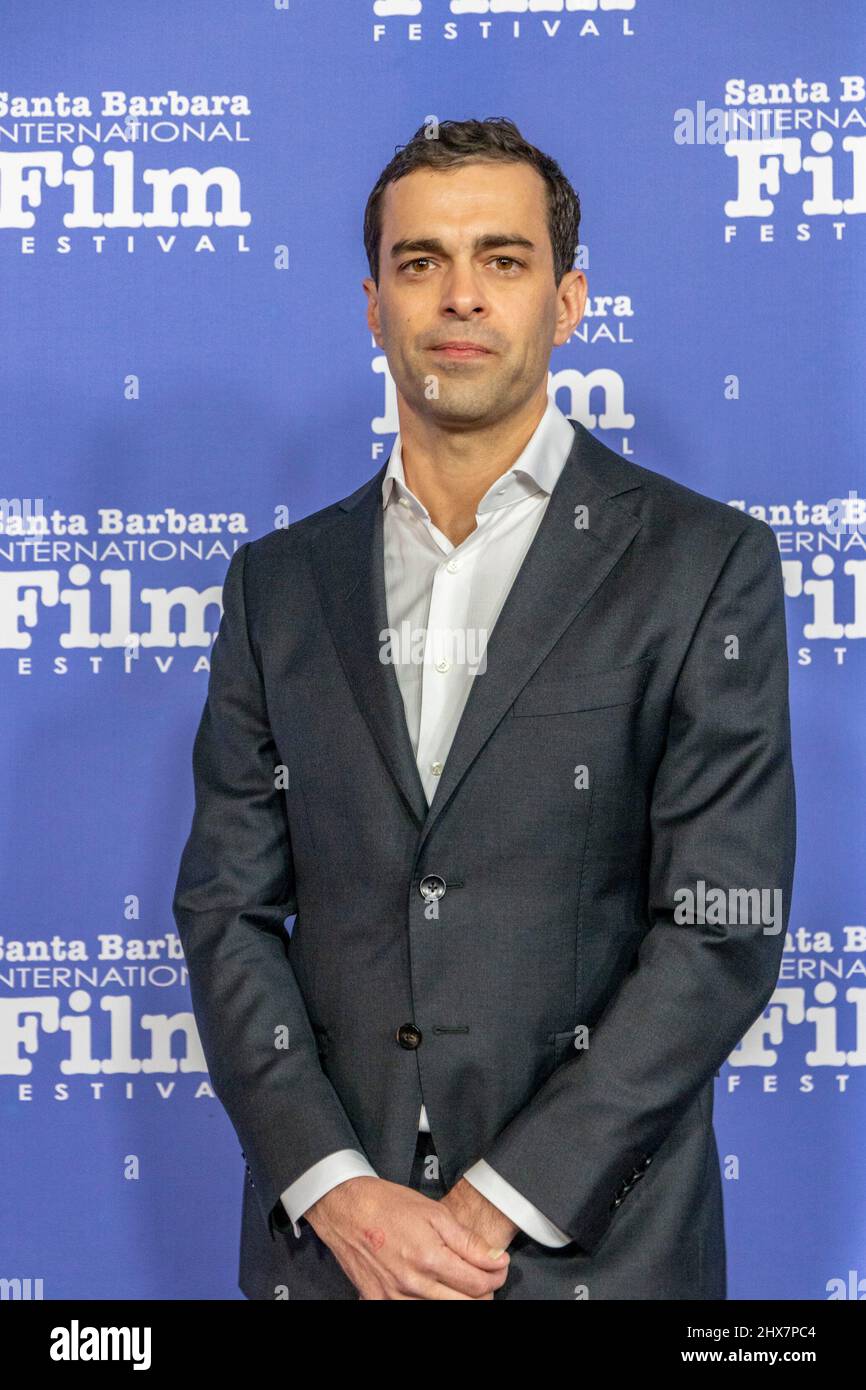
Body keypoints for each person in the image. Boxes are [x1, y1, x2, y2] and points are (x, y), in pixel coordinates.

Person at [172, 117, 796, 1300]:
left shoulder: (700, 563)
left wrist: (487, 1207)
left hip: (597, 1259)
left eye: (500, 261)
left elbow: (718, 925)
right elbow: (225, 910)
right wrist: (340, 1192)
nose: (459, 296)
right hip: (333, 1262)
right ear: (373, 305)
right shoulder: (278, 587)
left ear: (566, 301)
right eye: (421, 263)